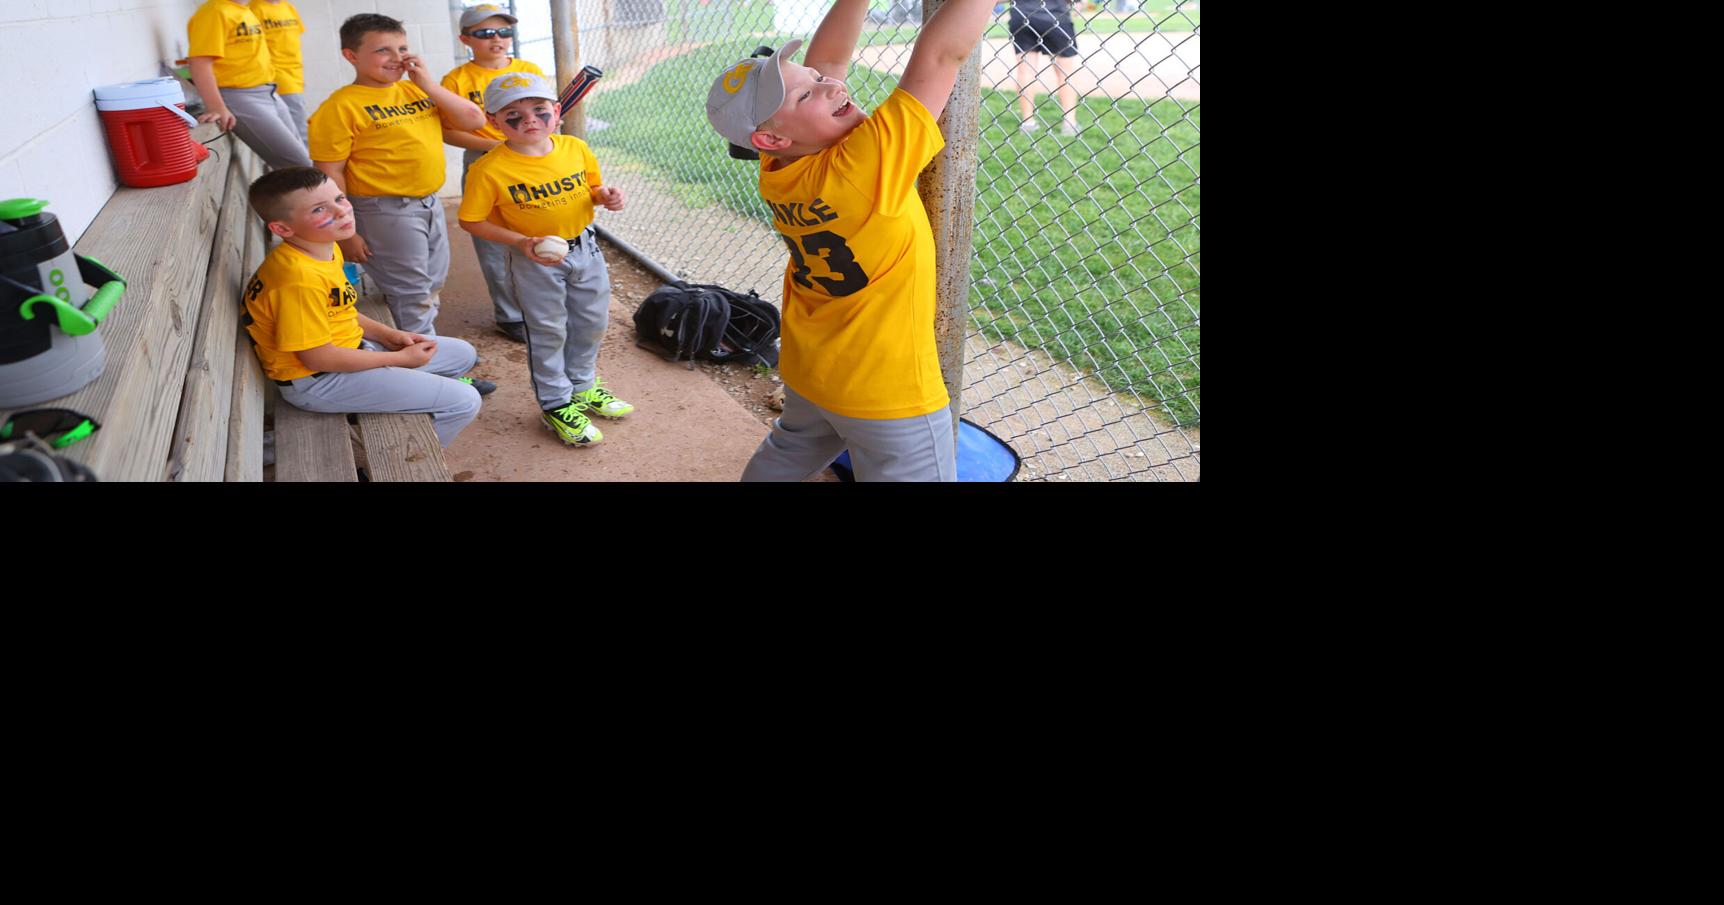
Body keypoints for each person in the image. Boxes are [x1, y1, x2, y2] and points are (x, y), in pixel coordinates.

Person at [704, 0, 997, 481]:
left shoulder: (779, 167)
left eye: (814, 80)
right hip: (887, 390)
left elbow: (830, 63)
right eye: (807, 95)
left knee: (789, 451)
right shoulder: (864, 162)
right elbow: (942, 56)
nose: (831, 84)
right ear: (771, 139)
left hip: (814, 368)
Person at [242, 167, 493, 449]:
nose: (341, 212)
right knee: (463, 402)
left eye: (339, 198)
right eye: (319, 210)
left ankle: (416, 387)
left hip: (350, 352)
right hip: (317, 382)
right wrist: (399, 360)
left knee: (463, 354)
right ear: (283, 229)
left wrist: (389, 336)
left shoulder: (321, 246)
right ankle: (405, 468)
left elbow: (341, 309)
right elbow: (318, 359)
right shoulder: (298, 280)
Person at [457, 73, 634, 448]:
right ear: (494, 122)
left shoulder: (574, 147)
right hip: (534, 258)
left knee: (591, 321)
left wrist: (607, 196)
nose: (530, 121)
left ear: (557, 112)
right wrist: (520, 242)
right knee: (548, 328)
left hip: (585, 246)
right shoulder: (489, 169)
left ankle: (583, 385)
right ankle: (555, 402)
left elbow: (592, 188)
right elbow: (470, 220)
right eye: (514, 116)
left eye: (539, 111)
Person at [307, 13, 487, 336]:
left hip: (429, 204)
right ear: (351, 56)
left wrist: (429, 84)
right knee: (412, 294)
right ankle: (429, 372)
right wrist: (346, 234)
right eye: (382, 51)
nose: (397, 58)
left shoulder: (415, 91)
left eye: (402, 47)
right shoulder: (340, 107)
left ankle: (427, 356)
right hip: (383, 210)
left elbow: (474, 120)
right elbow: (330, 173)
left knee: (433, 283)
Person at [440, 3, 547, 344]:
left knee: (535, 231)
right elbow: (446, 131)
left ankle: (542, 306)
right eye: (485, 33)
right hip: (484, 161)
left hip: (530, 163)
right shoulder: (457, 79)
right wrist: (495, 147)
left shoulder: (528, 68)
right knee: (492, 243)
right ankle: (511, 315)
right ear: (465, 39)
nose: (497, 39)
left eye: (503, 31)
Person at [186, 0, 313, 169]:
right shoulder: (214, 12)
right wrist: (216, 106)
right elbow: (200, 63)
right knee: (300, 165)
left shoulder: (245, 10)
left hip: (269, 91)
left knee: (303, 159)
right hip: (239, 96)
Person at [1010, 0, 1081, 136]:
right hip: (1055, 15)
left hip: (1022, 14)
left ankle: (1028, 122)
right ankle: (1070, 123)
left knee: (1025, 70)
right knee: (1065, 72)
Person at [252, 0, 310, 146]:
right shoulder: (255, 9)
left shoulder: (287, 7)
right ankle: (305, 167)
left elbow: (292, 43)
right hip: (276, 74)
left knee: (298, 126)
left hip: (295, 73)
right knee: (299, 131)